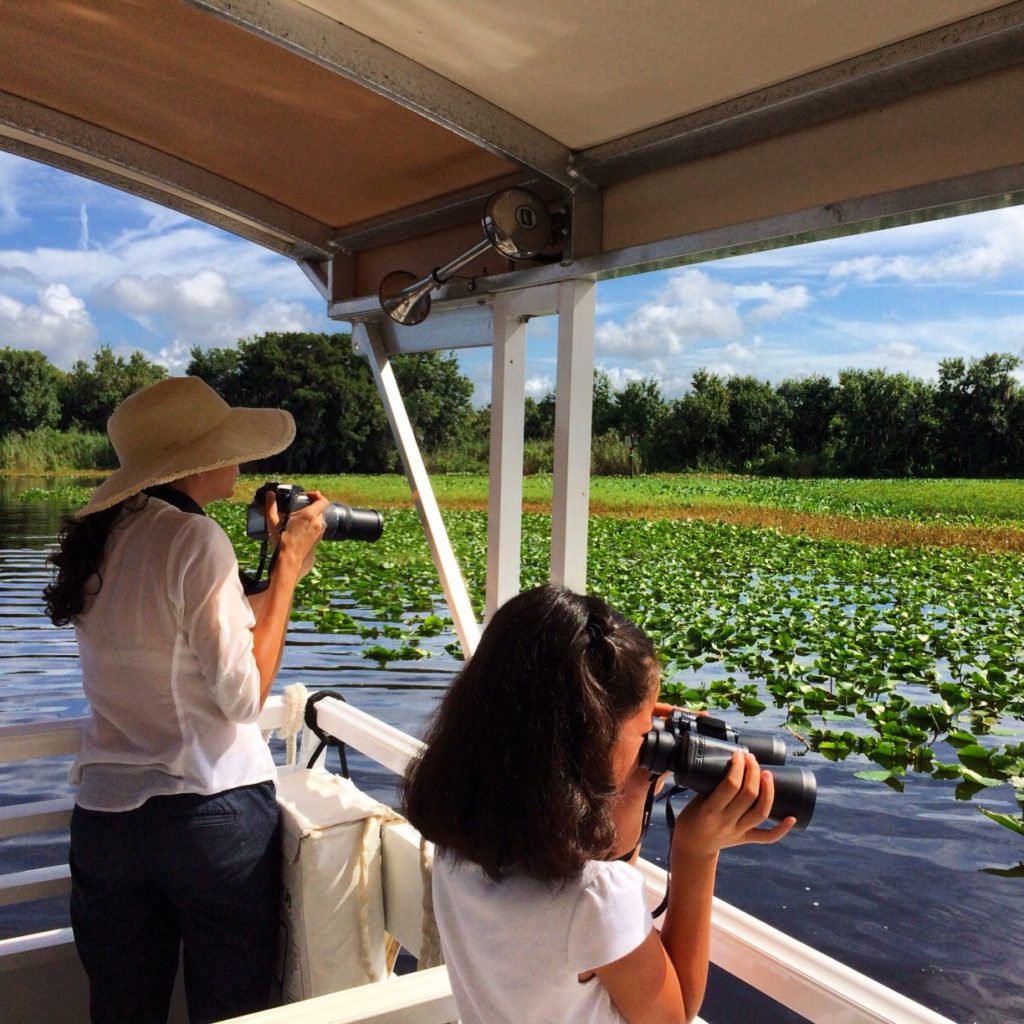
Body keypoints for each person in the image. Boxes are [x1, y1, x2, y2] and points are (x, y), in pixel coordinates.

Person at [43, 376, 327, 1024]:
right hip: (208, 818)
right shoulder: (194, 540)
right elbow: (243, 697)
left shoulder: (113, 535)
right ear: (200, 459)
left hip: (107, 827)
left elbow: (187, 633)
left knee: (122, 1011)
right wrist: (284, 574)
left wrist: (276, 564)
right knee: (231, 1011)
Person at [401, 584, 794, 1024]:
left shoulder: (464, 840)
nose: (651, 740)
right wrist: (695, 852)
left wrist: (632, 780)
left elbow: (585, 874)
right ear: (592, 745)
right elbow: (675, 1015)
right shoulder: (593, 899)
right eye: (645, 729)